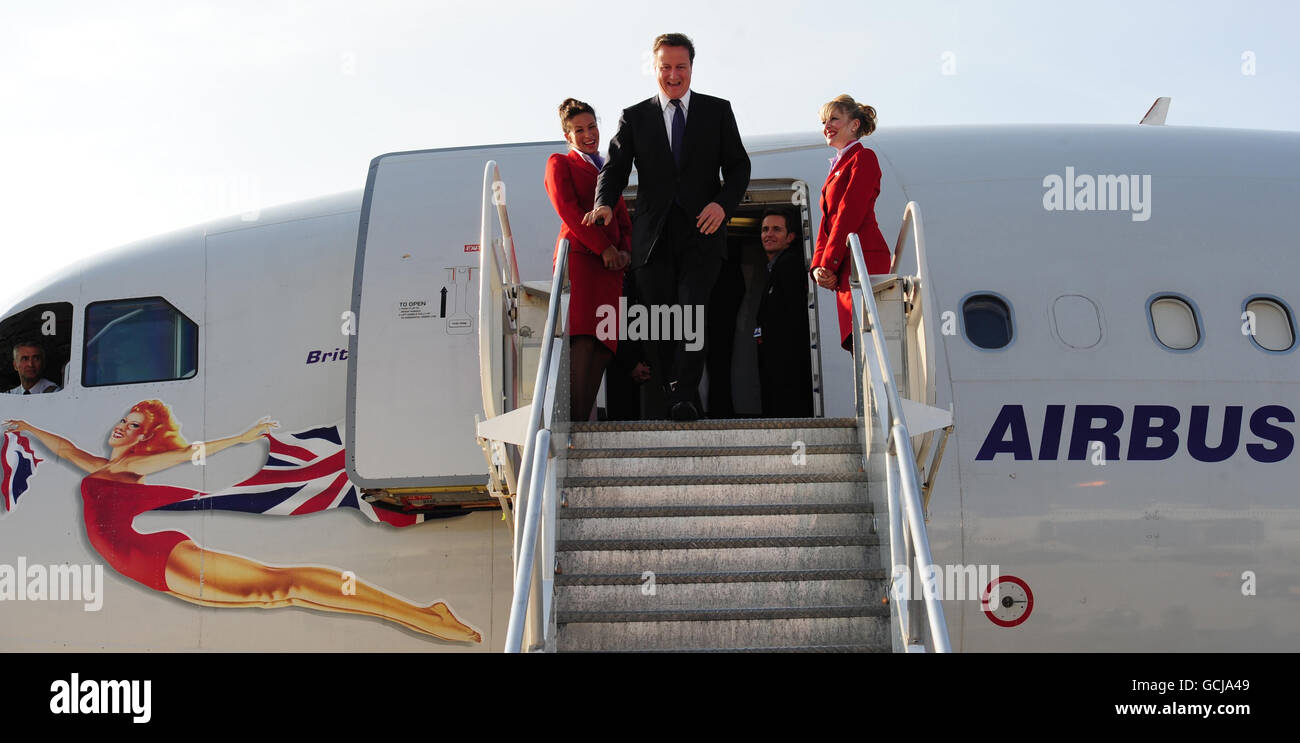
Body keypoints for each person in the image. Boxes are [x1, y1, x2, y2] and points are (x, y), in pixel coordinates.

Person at [3, 401, 481, 643]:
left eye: (132, 423)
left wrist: (243, 437)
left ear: (145, 437)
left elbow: (193, 452)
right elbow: (65, 450)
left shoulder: (133, 467)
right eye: (122, 421)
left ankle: (424, 615)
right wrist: (29, 430)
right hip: (142, 568)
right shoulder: (101, 468)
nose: (121, 426)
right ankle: (425, 615)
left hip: (156, 554)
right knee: (275, 593)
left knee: (278, 587)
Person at [585, 32, 751, 421]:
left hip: (703, 231)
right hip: (653, 236)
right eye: (666, 68)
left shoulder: (717, 111)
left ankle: (686, 392)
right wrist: (604, 203)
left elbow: (740, 167)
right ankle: (670, 388)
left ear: (691, 68)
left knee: (693, 307)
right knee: (658, 317)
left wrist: (723, 205)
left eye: (681, 67)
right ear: (654, 69)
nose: (673, 75)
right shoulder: (635, 116)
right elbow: (615, 168)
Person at [544, 98, 632, 421]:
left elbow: (623, 217)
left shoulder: (606, 168)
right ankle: (575, 424)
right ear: (568, 136)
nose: (588, 134)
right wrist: (604, 248)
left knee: (603, 345)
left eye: (592, 126)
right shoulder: (559, 163)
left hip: (610, 269)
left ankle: (581, 420)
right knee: (582, 339)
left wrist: (625, 251)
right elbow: (568, 210)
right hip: (582, 259)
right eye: (579, 130)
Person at [809, 94, 892, 351]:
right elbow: (827, 224)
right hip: (845, 265)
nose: (827, 126)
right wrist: (818, 268)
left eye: (834, 118)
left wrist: (830, 263)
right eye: (824, 121)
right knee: (857, 344)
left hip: (862, 260)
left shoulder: (863, 158)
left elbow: (850, 213)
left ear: (854, 125)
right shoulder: (836, 168)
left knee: (867, 343)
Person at [755, 210, 814, 417]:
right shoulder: (776, 267)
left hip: (786, 361)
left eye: (776, 229)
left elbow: (793, 316)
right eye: (765, 229)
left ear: (790, 237)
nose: (769, 234)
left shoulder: (789, 265)